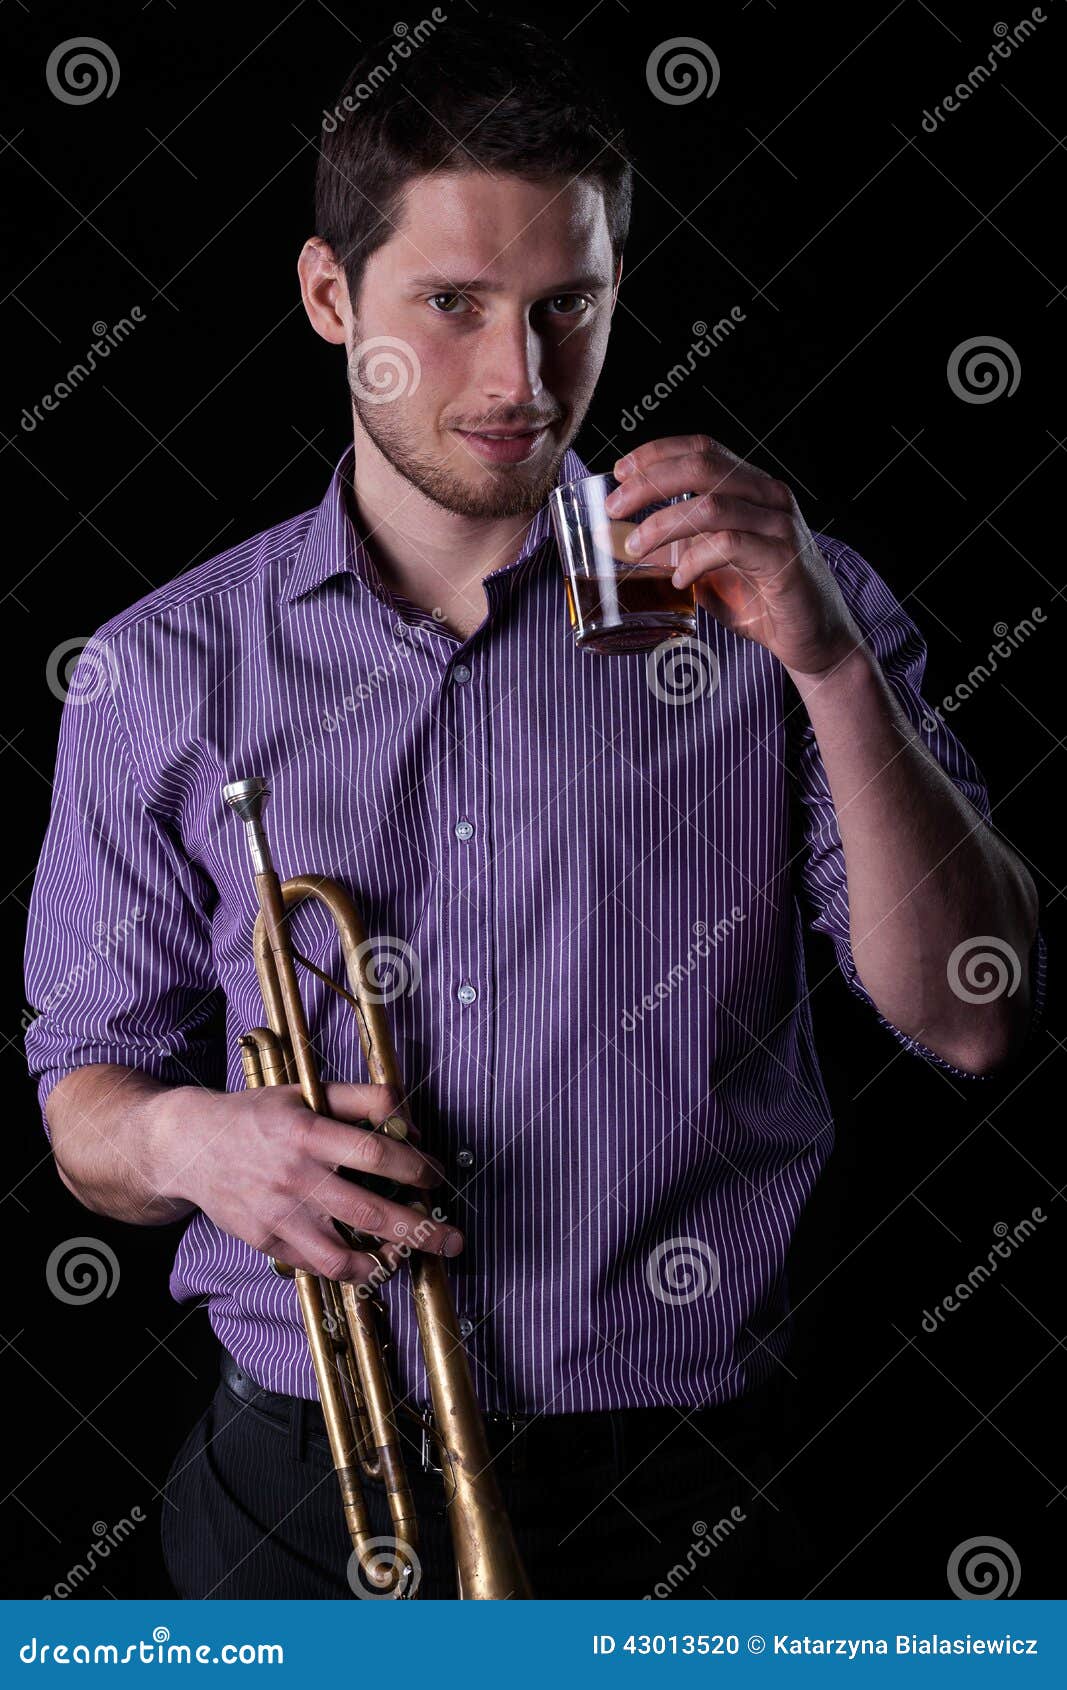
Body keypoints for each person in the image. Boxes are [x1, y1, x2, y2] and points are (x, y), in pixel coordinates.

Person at [23, 18, 1044, 1601]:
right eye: (451, 306)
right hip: (300, 1470)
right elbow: (81, 1093)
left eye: (569, 305)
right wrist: (187, 1136)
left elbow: (974, 1018)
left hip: (691, 1478)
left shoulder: (774, 609)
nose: (521, 377)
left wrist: (830, 656)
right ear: (325, 299)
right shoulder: (161, 667)